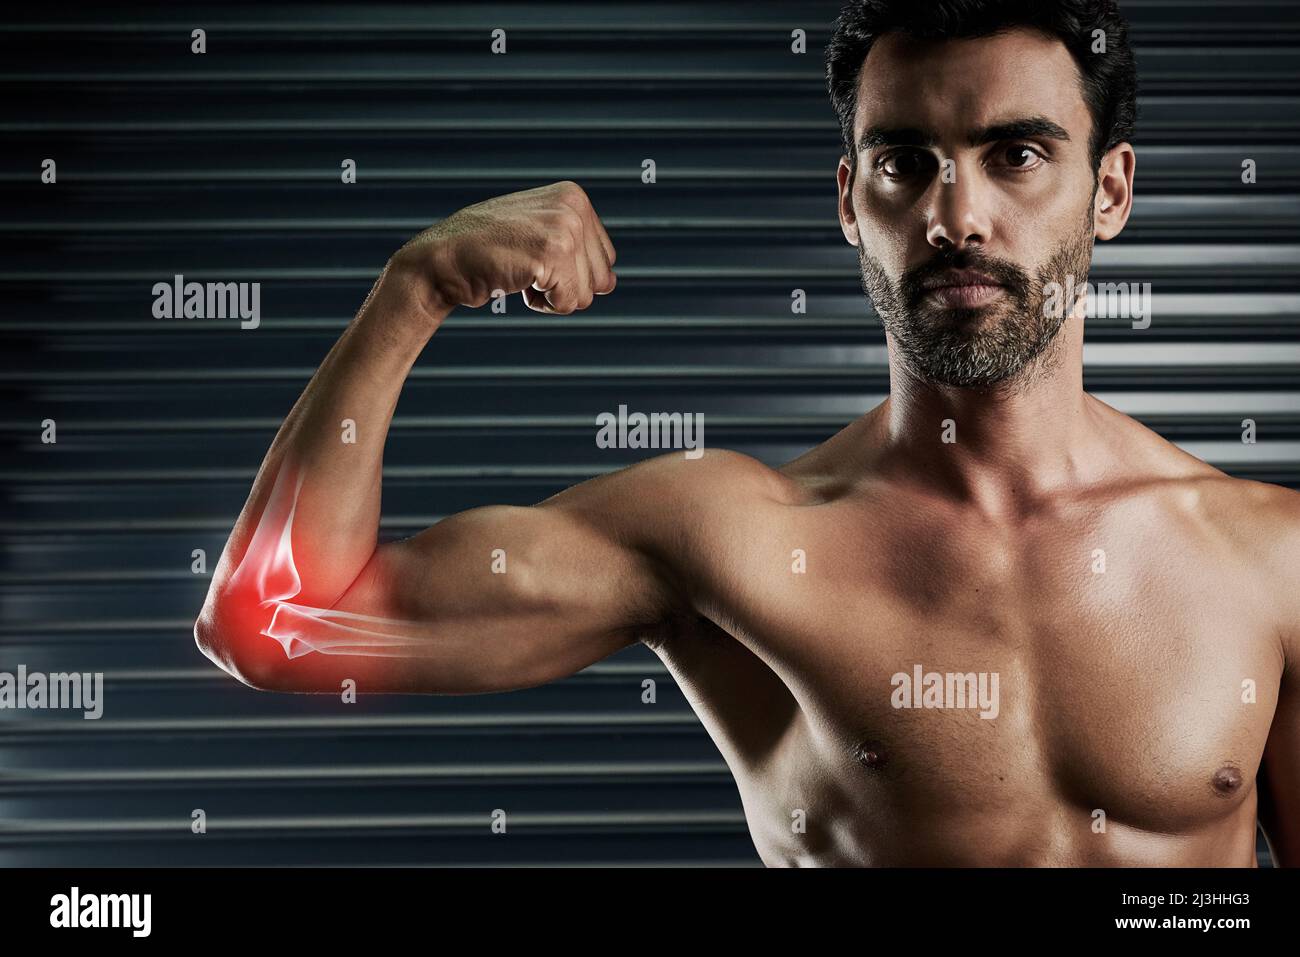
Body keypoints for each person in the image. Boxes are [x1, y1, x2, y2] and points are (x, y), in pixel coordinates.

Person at [195, 0, 1299, 866]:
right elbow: (270, 626)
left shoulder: (1269, 560)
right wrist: (416, 288)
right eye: (903, 162)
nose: (955, 216)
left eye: (1015, 155)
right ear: (848, 199)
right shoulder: (730, 540)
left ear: (1110, 191)